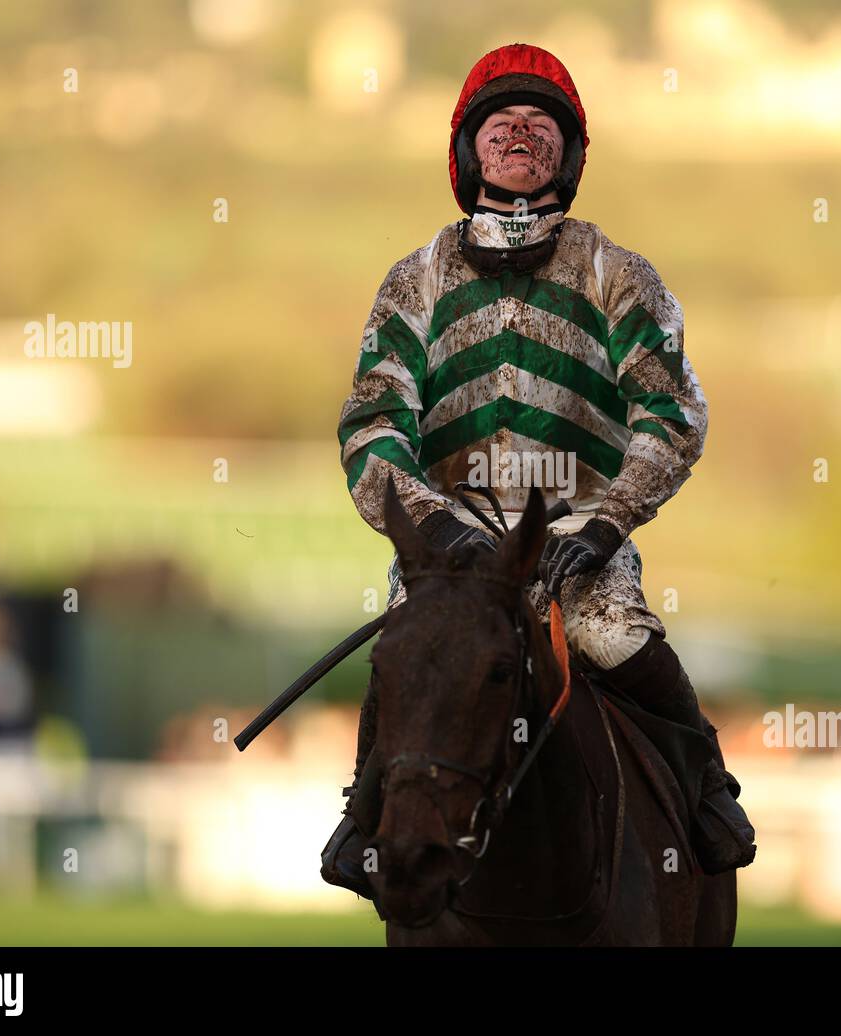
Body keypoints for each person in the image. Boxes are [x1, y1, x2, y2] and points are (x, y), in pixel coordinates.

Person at [323, 43, 755, 898]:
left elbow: (673, 416)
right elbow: (372, 424)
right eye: (502, 125)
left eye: (540, 126)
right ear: (467, 151)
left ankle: (706, 785)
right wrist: (432, 526)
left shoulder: (622, 277)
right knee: (413, 651)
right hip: (447, 549)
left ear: (570, 155)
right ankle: (364, 814)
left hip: (575, 545)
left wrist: (604, 524)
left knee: (618, 638)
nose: (521, 136)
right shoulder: (413, 282)